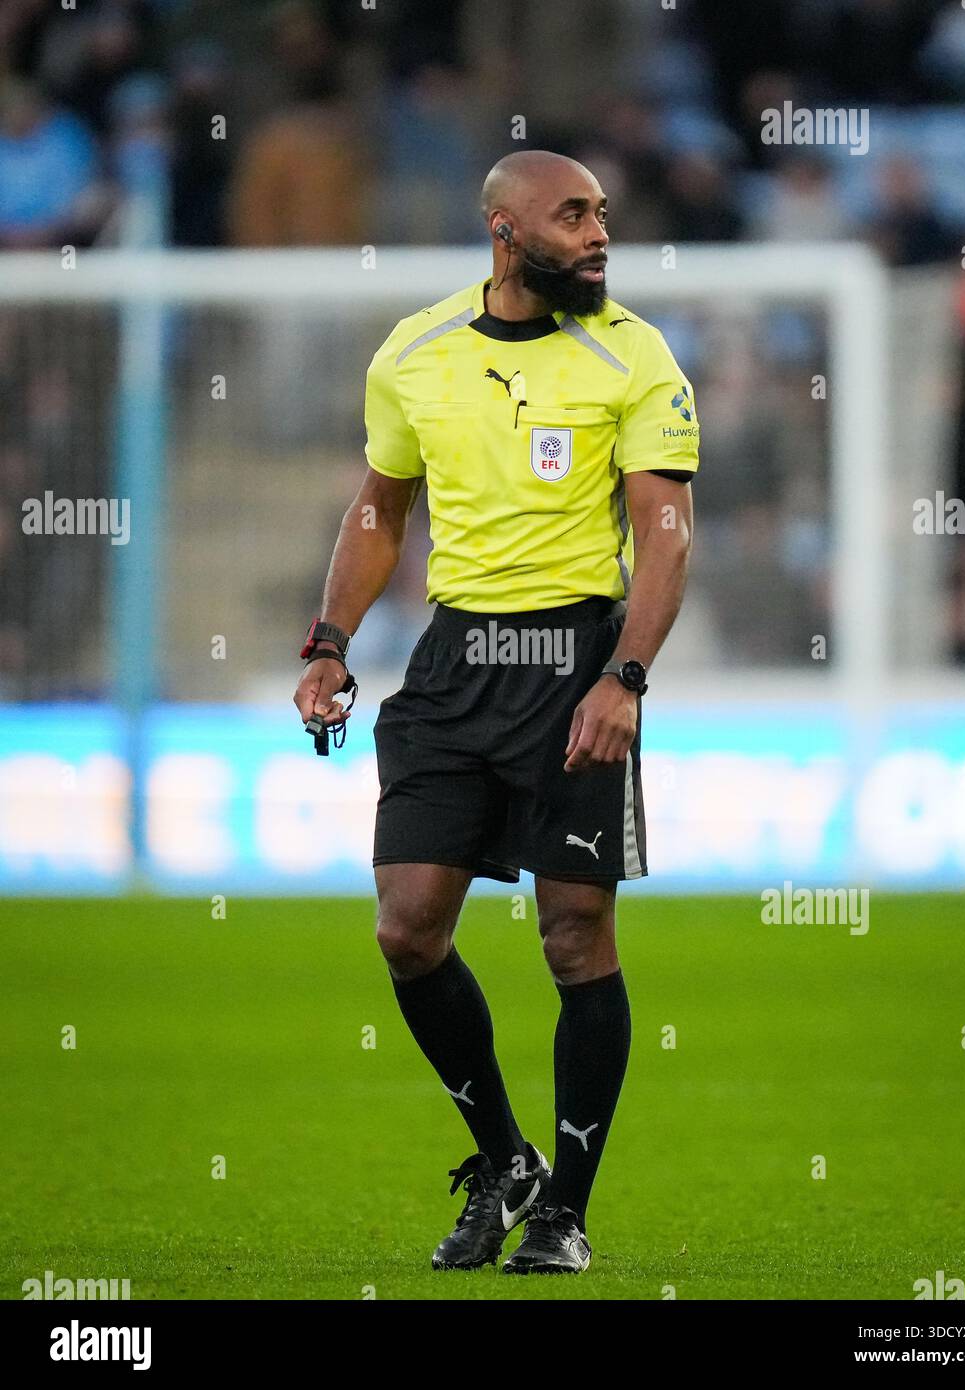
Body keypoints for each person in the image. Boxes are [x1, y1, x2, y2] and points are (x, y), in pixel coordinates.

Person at [293, 150, 700, 1274]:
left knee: (574, 935)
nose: (596, 233)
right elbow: (380, 509)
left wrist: (624, 675)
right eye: (573, 215)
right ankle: (504, 1161)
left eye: (603, 214)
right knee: (405, 926)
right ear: (505, 228)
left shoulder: (632, 354)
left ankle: (564, 1211)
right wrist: (330, 640)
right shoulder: (415, 353)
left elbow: (664, 529)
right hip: (452, 659)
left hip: (575, 656)